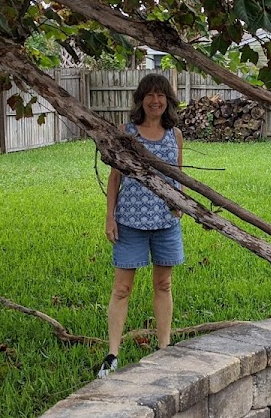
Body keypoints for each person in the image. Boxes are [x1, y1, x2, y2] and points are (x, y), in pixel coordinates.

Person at [97, 73, 184, 378]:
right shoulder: (127, 133)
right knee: (122, 289)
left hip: (165, 222)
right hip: (130, 222)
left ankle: (164, 347)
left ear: (168, 100)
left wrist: (180, 204)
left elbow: (179, 176)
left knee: (163, 284)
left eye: (161, 95)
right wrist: (109, 216)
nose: (155, 101)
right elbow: (114, 177)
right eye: (149, 95)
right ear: (141, 99)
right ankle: (112, 355)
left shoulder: (175, 135)